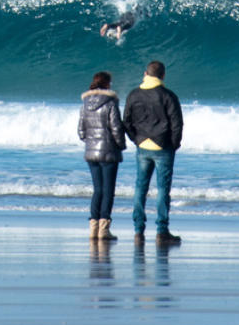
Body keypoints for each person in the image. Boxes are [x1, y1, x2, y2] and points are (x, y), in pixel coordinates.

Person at [121, 60, 184, 243]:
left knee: (140, 187)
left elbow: (127, 121)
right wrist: (173, 144)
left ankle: (138, 231)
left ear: (145, 74)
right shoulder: (168, 96)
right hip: (163, 147)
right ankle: (162, 231)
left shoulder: (134, 94)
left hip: (143, 147)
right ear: (163, 76)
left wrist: (137, 139)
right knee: (163, 189)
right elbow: (177, 124)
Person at [77, 71, 126, 242]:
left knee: (97, 190)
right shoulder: (111, 103)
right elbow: (116, 129)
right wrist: (121, 145)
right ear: (107, 84)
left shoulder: (85, 104)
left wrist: (91, 142)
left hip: (91, 153)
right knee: (108, 191)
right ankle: (104, 230)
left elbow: (81, 131)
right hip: (109, 152)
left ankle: (93, 228)